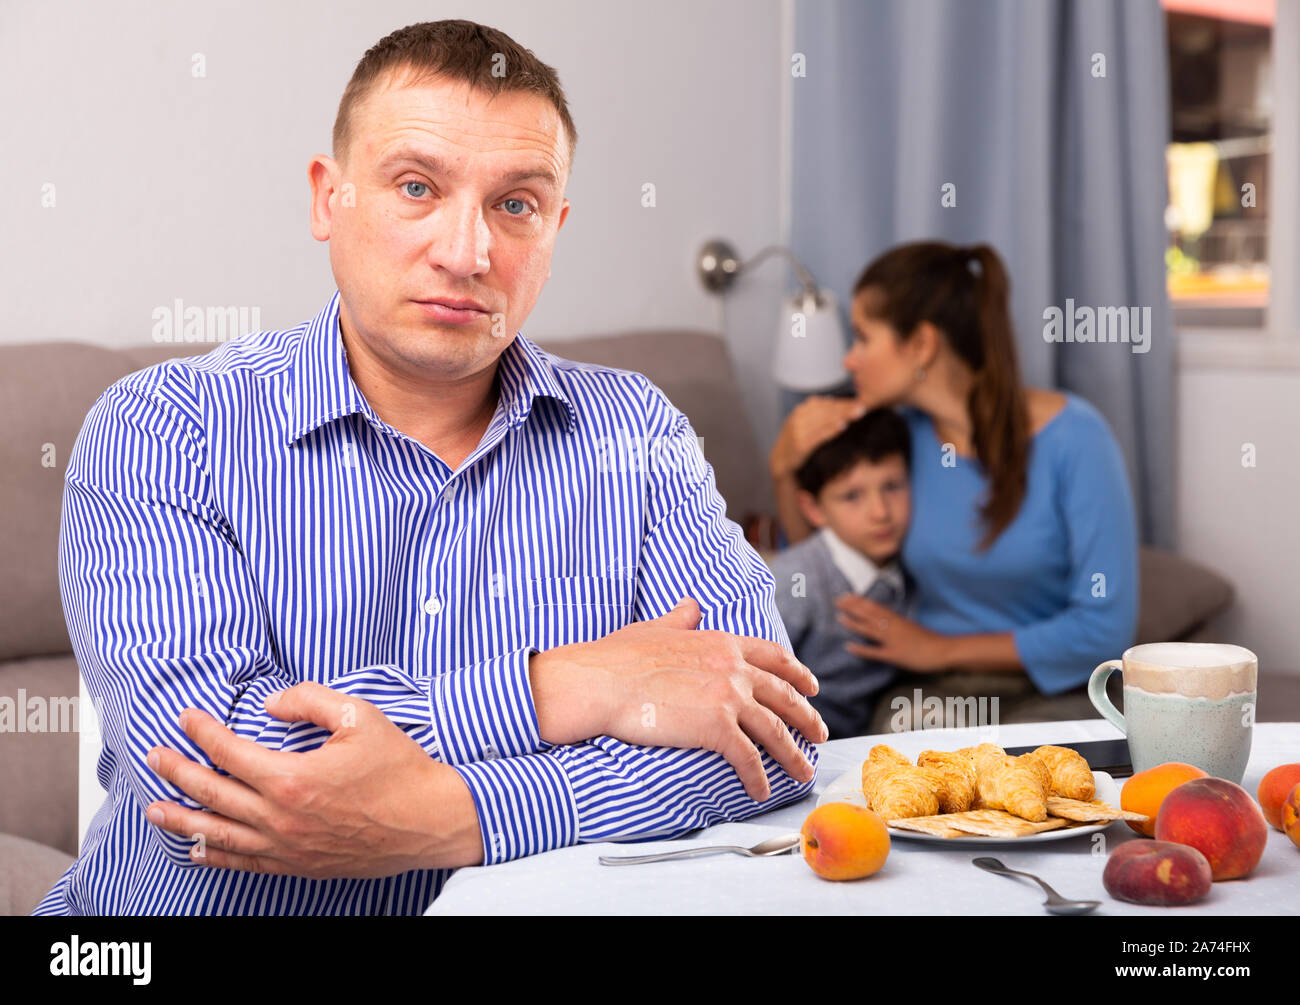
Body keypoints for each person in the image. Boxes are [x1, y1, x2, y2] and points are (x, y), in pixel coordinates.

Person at [34, 19, 827, 917]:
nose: (467, 252)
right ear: (328, 198)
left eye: (515, 205)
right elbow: (213, 774)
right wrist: (572, 685)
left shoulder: (636, 433)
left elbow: (767, 738)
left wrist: (452, 819)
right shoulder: (162, 429)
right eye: (417, 187)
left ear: (555, 227)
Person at [768, 241, 1138, 733]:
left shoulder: (1077, 439)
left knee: (1037, 777)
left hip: (1058, 689)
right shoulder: (899, 444)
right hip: (934, 694)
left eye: (862, 338)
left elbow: (1103, 630)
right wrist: (784, 466)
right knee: (913, 772)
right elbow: (824, 555)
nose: (849, 360)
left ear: (921, 344)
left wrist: (934, 647)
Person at [767, 407, 912, 739]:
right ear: (813, 509)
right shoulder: (795, 581)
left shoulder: (913, 565)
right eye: (852, 496)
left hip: (869, 743)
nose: (880, 513)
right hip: (797, 745)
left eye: (892, 486)